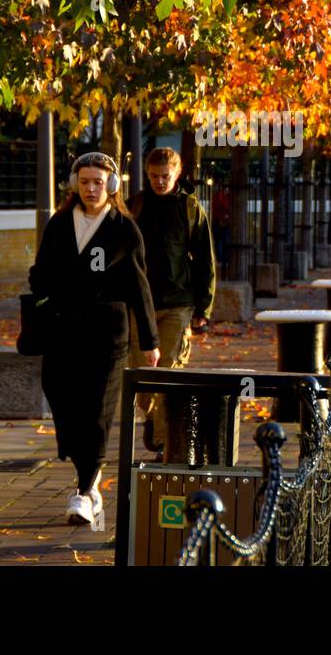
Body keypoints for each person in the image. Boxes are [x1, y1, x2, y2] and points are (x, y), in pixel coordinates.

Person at [29, 151, 158, 525]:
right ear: (74, 184)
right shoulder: (58, 224)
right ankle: (86, 471)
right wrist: (45, 299)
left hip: (107, 335)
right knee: (60, 395)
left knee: (98, 412)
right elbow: (40, 273)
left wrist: (148, 340)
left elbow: (139, 287)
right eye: (84, 181)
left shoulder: (124, 228)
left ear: (111, 186)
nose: (90, 188)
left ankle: (85, 492)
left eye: (97, 182)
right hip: (63, 331)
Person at [126, 147, 217, 458]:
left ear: (178, 174)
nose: (159, 182)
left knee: (169, 371)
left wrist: (203, 308)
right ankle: (152, 420)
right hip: (141, 304)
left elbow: (205, 261)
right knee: (142, 374)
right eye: (154, 176)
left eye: (165, 176)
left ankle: (165, 445)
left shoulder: (190, 209)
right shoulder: (134, 206)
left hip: (179, 303)